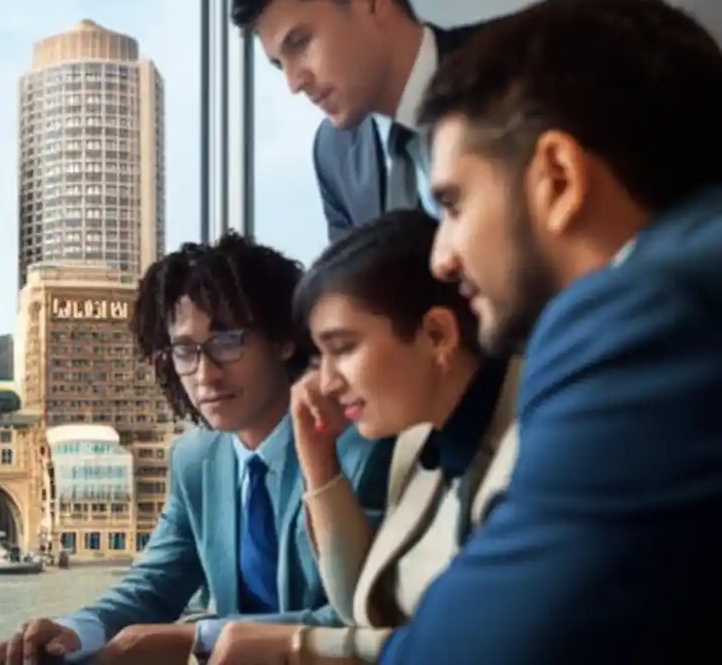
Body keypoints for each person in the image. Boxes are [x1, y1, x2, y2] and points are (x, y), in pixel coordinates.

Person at [374, 0, 722, 663]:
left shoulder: (648, 319)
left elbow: (468, 649)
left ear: (558, 178)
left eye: (452, 203)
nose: (441, 258)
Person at [0, 233, 394, 665]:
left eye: (227, 341)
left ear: (283, 339)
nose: (205, 374)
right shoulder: (196, 458)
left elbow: (362, 618)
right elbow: (155, 583)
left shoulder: (361, 448)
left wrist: (198, 637)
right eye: (185, 350)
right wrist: (75, 630)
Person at [207, 210, 519, 664]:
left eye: (344, 348)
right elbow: (361, 604)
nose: (325, 382)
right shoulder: (417, 439)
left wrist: (299, 647)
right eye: (320, 356)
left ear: (437, 334)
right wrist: (316, 455)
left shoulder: (537, 442)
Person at [230, 0, 491, 241]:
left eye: (300, 42)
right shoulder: (333, 154)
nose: (294, 83)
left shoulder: (519, 65)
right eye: (279, 64)